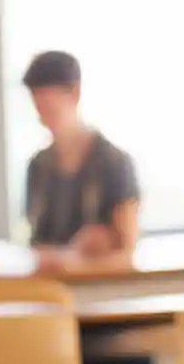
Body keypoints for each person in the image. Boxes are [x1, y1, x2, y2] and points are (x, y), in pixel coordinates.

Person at [22, 51, 141, 269]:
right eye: (39, 109)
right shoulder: (38, 167)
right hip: (51, 287)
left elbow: (128, 257)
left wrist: (74, 264)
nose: (44, 119)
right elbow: (35, 249)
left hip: (103, 288)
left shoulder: (115, 164)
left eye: (50, 109)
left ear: (75, 93)